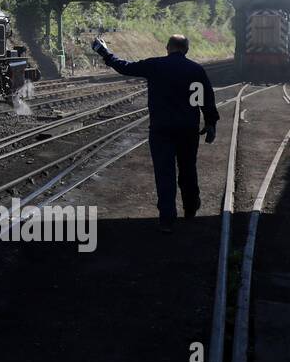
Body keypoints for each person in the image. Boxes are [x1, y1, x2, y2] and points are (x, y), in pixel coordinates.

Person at [91, 34, 220, 233]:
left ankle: (167, 219)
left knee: (164, 173)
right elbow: (205, 99)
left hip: (161, 130)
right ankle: (191, 207)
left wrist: (104, 51)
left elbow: (125, 67)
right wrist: (211, 123)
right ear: (186, 49)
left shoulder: (155, 65)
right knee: (188, 169)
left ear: (167, 47)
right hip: (188, 130)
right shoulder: (196, 70)